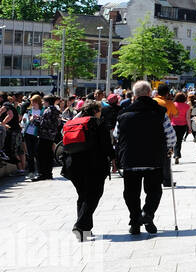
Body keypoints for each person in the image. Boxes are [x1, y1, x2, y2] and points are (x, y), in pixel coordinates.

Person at [114, 80, 174, 236]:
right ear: (149, 93)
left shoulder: (123, 115)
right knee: (154, 191)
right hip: (153, 158)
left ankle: (135, 222)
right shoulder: (160, 112)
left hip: (130, 159)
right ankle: (147, 214)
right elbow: (171, 136)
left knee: (131, 193)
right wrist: (169, 148)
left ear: (134, 95)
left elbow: (116, 136)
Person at [63, 99, 113, 241]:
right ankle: (80, 225)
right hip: (93, 164)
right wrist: (113, 159)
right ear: (96, 111)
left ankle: (85, 231)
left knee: (83, 196)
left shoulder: (73, 122)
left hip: (72, 164)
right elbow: (106, 144)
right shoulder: (98, 122)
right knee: (94, 194)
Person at [170, 90, 190, 164]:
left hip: (173, 125)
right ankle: (177, 155)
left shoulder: (173, 104)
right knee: (179, 141)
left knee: (172, 141)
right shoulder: (187, 106)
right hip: (183, 125)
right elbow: (188, 117)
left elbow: (170, 115)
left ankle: (172, 152)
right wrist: (190, 128)